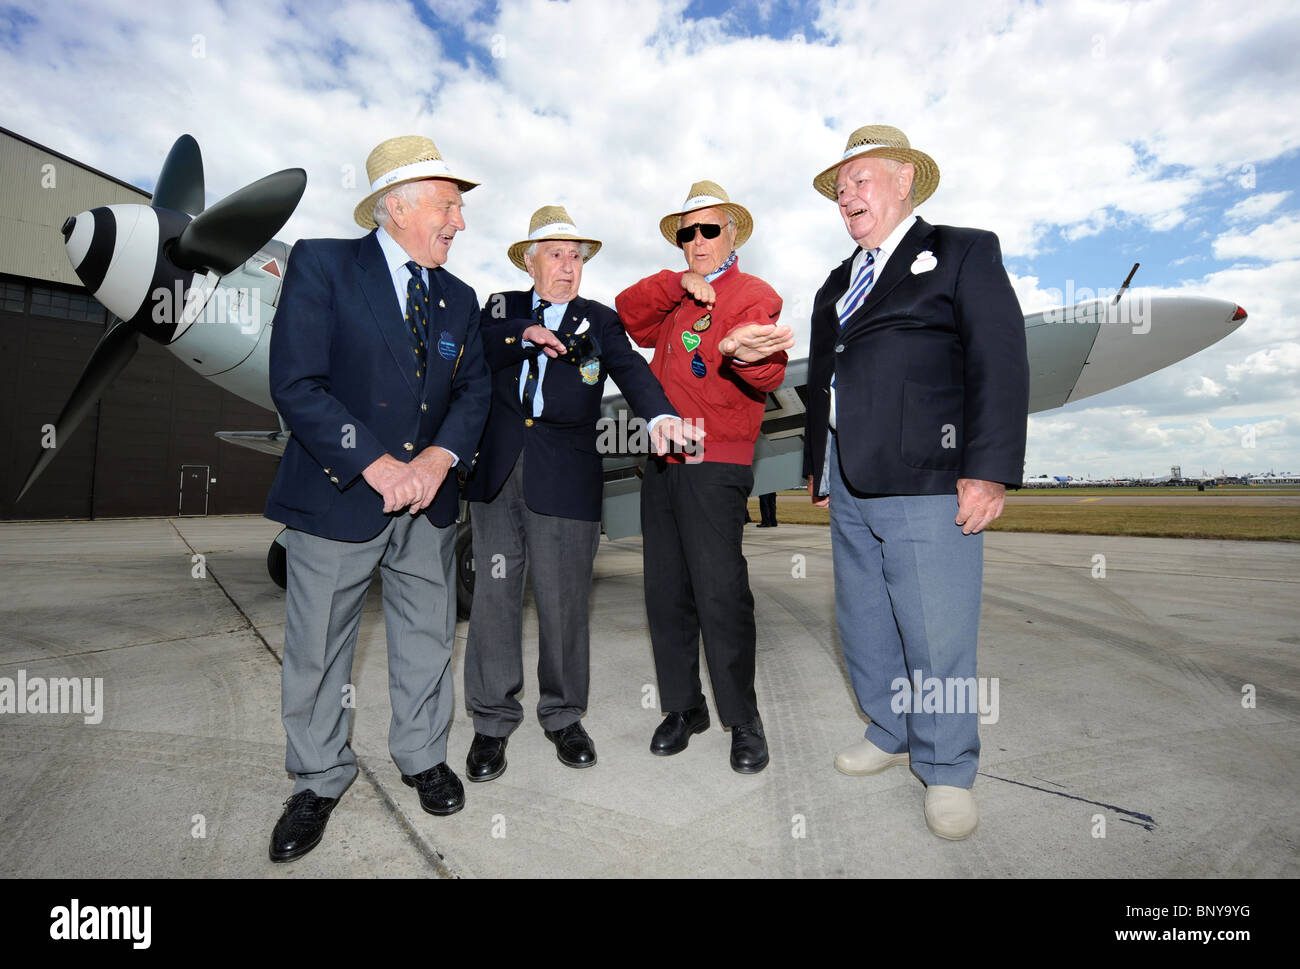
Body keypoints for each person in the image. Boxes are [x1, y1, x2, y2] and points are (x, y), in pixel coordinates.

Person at [263, 135, 490, 862]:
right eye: (448, 205)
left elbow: (475, 389)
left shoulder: (459, 298)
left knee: (426, 637)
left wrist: (436, 457)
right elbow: (297, 382)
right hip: (340, 497)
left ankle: (422, 755)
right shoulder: (323, 264)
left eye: (458, 207)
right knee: (318, 649)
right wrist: (377, 464)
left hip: (429, 505)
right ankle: (319, 775)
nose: (459, 221)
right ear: (397, 205)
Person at [803, 125, 1029, 839]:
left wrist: (987, 469)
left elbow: (1000, 359)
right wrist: (818, 464)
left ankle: (948, 765)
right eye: (840, 187)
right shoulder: (835, 283)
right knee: (864, 622)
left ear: (904, 180)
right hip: (848, 477)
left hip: (930, 477)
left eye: (861, 179)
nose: (847, 195)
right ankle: (888, 728)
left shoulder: (962, 250)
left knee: (937, 633)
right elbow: (825, 382)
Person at [462, 205, 693, 780]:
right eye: (556, 255)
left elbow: (631, 369)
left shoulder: (598, 317)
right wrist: (525, 332)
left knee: (565, 601)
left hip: (566, 476)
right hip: (497, 474)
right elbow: (475, 349)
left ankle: (563, 715)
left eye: (576, 257)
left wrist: (659, 415)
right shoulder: (500, 307)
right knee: (493, 598)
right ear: (529, 260)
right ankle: (491, 722)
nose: (569, 267)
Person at [616, 180, 794, 774]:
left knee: (719, 592)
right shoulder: (672, 298)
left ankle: (742, 718)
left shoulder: (752, 294)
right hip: (660, 461)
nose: (696, 241)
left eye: (708, 229)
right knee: (665, 592)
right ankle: (683, 707)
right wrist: (675, 284)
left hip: (713, 462)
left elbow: (765, 368)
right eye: (686, 232)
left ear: (733, 234)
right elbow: (626, 312)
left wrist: (750, 352)